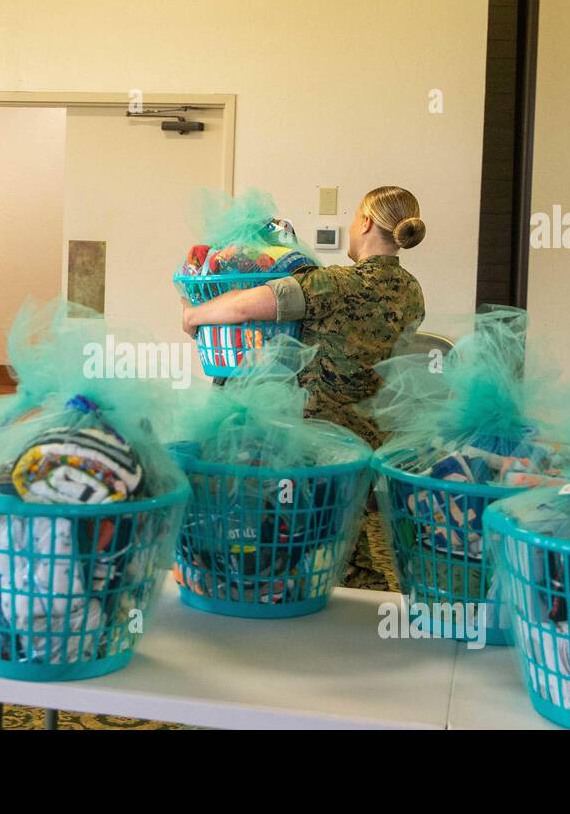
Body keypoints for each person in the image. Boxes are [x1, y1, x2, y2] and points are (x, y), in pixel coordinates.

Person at [181, 185, 426, 590]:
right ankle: (365, 603)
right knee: (354, 534)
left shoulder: (333, 284)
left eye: (353, 218)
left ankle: (309, 608)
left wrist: (193, 315)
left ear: (365, 222)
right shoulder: (411, 291)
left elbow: (244, 307)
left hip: (315, 435)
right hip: (370, 433)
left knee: (307, 534)